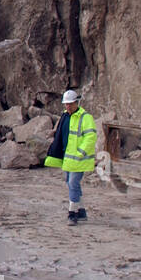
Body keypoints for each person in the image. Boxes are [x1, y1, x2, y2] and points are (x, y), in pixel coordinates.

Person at [44, 89, 96, 226]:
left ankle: (72, 213)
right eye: (66, 104)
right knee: (71, 183)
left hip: (79, 159)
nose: (68, 106)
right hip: (68, 158)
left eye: (70, 104)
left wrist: (81, 152)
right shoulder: (65, 116)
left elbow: (90, 137)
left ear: (76, 103)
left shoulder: (85, 117)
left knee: (73, 183)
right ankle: (82, 211)